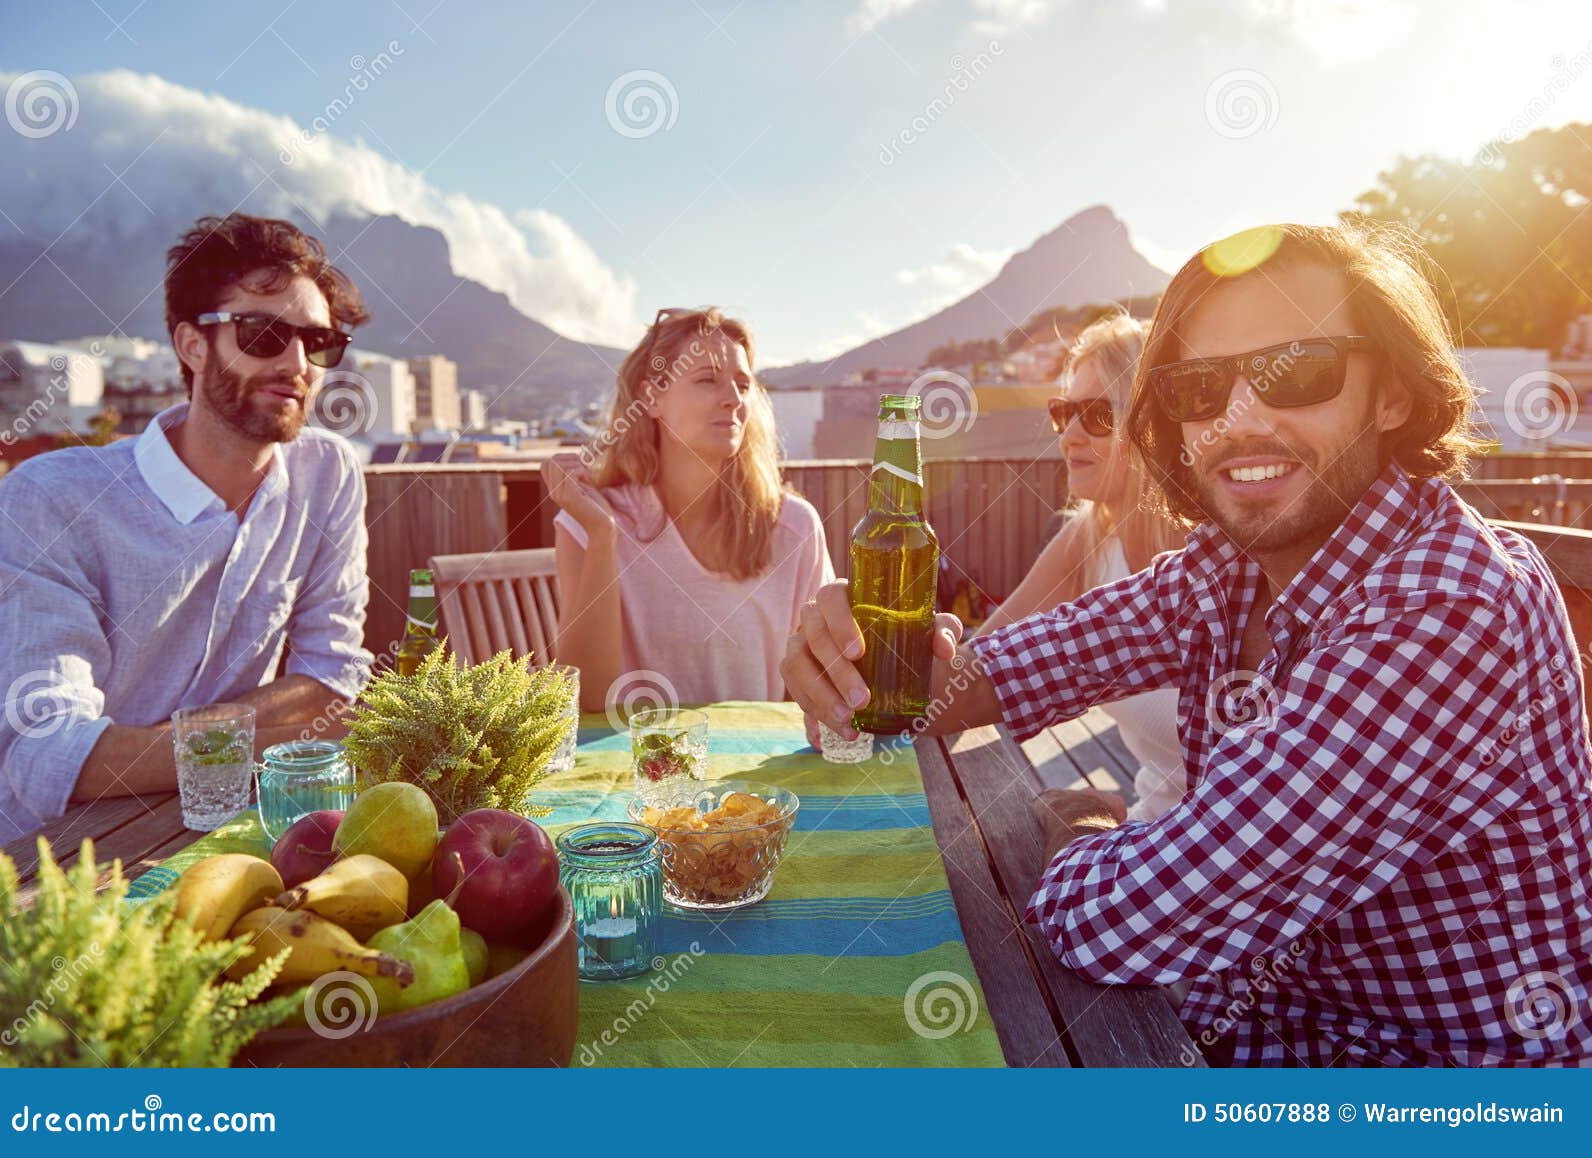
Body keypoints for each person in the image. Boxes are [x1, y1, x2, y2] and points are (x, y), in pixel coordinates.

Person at [782, 222, 1592, 1065]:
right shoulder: (1227, 568)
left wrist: (1075, 832)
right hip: (1236, 1031)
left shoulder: (1449, 605)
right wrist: (870, 652)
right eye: (1198, 388)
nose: (1238, 419)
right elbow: (1008, 669)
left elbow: (1131, 920)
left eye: (1295, 370)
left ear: (1391, 392)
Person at [0, 212, 374, 844]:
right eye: (262, 334)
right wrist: (263, 736)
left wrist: (148, 746)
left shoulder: (327, 474)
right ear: (192, 345)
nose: (298, 363)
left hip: (216, 831)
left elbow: (333, 682)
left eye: (319, 342)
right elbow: (48, 754)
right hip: (47, 858)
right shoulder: (52, 500)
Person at [546, 307, 834, 711]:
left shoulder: (794, 526)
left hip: (752, 751)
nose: (733, 399)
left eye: (743, 384)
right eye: (707, 380)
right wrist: (602, 537)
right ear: (651, 398)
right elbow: (586, 702)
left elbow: (822, 689)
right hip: (632, 752)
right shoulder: (588, 522)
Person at [977, 313, 1187, 819]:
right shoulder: (1086, 537)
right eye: (1063, 413)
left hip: (1231, 845)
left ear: (1151, 424)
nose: (1069, 435)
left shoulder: (1214, 548)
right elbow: (978, 661)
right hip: (1152, 827)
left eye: (1096, 415)